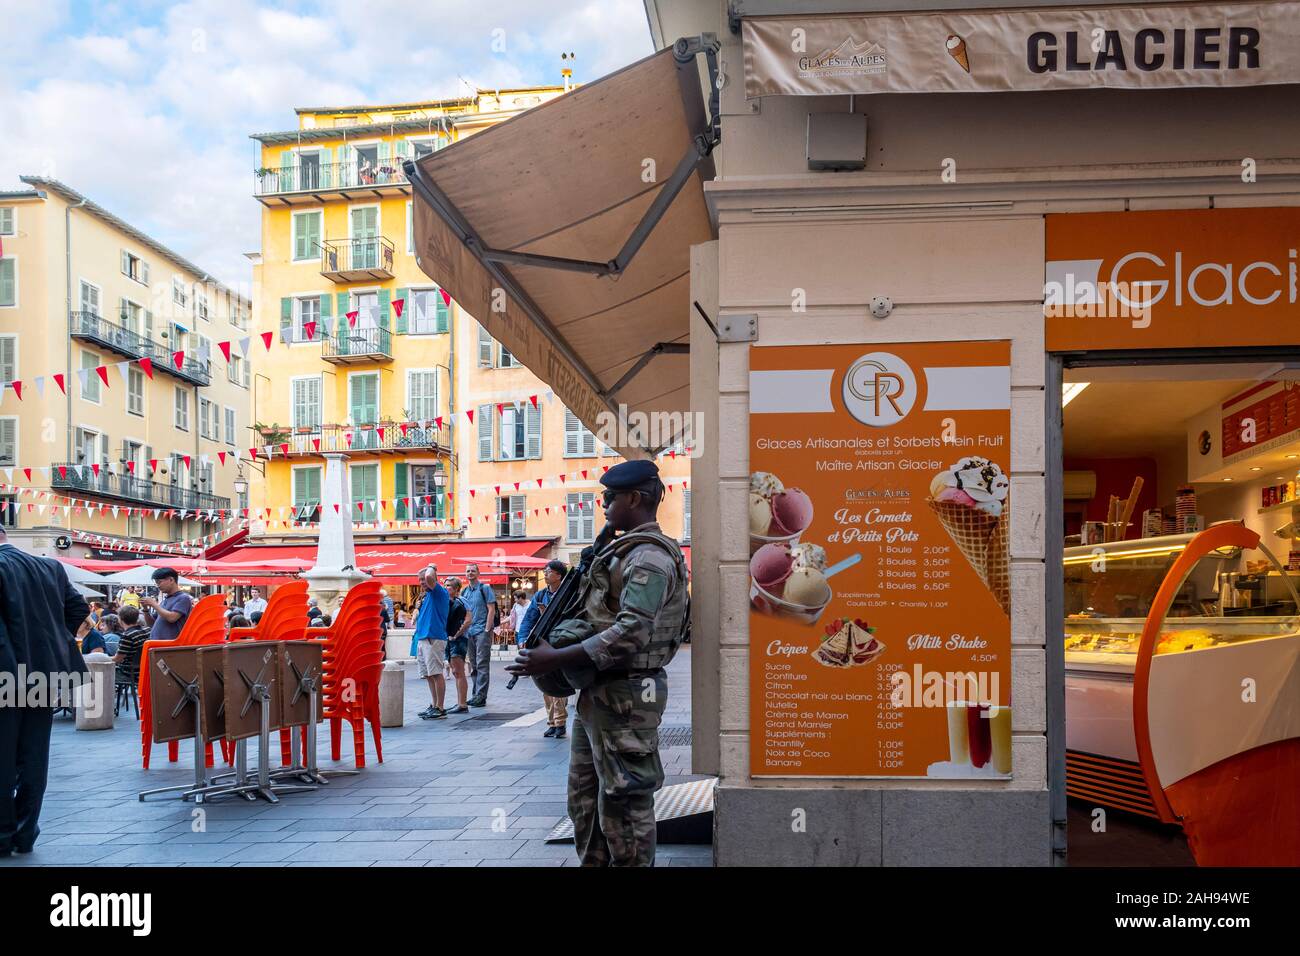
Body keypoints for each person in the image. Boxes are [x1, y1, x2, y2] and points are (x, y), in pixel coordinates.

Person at [507, 460, 688, 867]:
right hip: (600, 693)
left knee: (624, 805)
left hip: (627, 696)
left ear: (635, 499)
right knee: (585, 803)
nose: (603, 504)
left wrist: (556, 656)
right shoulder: (619, 551)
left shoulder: (648, 559)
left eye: (610, 497)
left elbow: (632, 632)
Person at [0, 527, 92, 856]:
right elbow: (79, 611)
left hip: (7, 678)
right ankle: (25, 833)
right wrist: (51, 643)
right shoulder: (50, 567)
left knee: (4, 758)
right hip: (44, 675)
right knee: (35, 756)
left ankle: (3, 835)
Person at [517, 560, 570, 739]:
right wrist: (522, 638)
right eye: (545, 571)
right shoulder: (540, 595)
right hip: (542, 644)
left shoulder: (568, 595)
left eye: (548, 571)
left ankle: (560, 722)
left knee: (558, 684)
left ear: (559, 576)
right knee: (545, 684)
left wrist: (549, 613)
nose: (545, 574)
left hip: (560, 644)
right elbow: (528, 620)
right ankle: (552, 722)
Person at [411, 567, 450, 720]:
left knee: (436, 673)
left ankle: (440, 707)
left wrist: (431, 567)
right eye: (419, 580)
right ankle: (434, 705)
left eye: (423, 579)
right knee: (428, 674)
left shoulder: (438, 591)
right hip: (424, 638)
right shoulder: (427, 596)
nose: (422, 582)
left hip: (433, 638)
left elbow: (429, 576)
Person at [459, 564, 496, 707]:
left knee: (482, 663)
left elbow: (491, 609)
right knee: (473, 664)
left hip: (482, 631)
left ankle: (481, 696)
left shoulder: (484, 588)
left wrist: (487, 629)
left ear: (478, 573)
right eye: (467, 571)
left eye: (473, 571)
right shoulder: (464, 591)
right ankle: (475, 695)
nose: (470, 573)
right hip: (469, 632)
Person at [139, 568, 194, 641]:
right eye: (156, 583)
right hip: (157, 643)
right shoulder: (165, 600)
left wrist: (154, 604)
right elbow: (151, 624)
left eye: (159, 582)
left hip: (170, 646)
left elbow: (172, 618)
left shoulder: (183, 598)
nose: (158, 586)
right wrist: (145, 609)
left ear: (171, 580)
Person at [443, 578, 471, 714]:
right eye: (445, 585)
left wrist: (456, 634)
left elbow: (468, 620)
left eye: (448, 586)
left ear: (456, 589)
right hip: (449, 639)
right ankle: (460, 702)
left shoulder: (462, 601)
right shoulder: (446, 601)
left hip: (458, 639)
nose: (446, 587)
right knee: (455, 671)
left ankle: (462, 704)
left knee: (459, 671)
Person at [113, 605, 149, 682]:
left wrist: (101, 658)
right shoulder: (147, 630)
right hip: (147, 669)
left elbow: (117, 659)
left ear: (121, 619)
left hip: (130, 673)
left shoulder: (127, 636)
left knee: (99, 673)